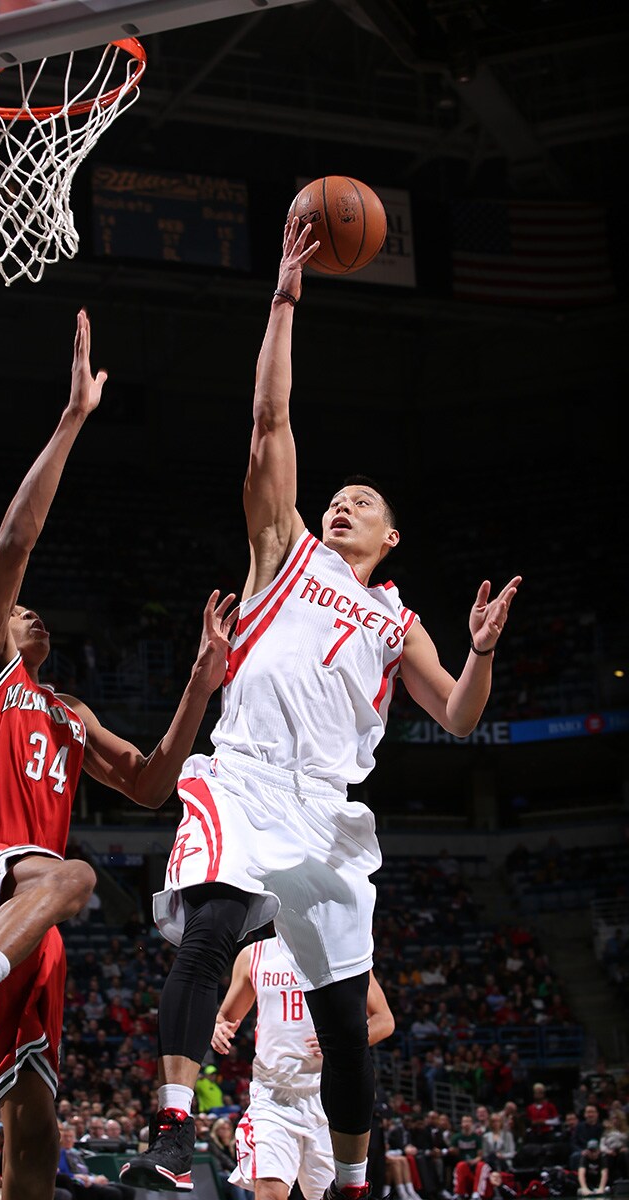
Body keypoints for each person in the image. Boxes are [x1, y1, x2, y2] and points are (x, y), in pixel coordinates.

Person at [120, 218, 521, 1198]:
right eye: (334, 496)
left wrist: (476, 654)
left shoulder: (396, 619)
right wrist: (283, 301)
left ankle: (350, 1182)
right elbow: (268, 426)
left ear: (391, 536)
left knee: (345, 1026)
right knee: (212, 923)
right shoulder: (284, 552)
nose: (340, 504)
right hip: (247, 775)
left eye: (361, 500)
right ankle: (173, 1134)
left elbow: (460, 716)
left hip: (329, 817)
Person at [0, 309, 237, 1200]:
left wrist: (198, 685)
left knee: (34, 1132)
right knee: (73, 877)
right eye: (17, 607)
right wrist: (71, 419)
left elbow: (148, 784)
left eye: (32, 613)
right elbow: (12, 544)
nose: (24, 610)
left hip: (23, 925)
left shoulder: (68, 712)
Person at [211, 932, 395, 1200]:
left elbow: (384, 1020)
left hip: (326, 1099)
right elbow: (226, 1017)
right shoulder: (254, 955)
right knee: (270, 1189)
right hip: (273, 1097)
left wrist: (344, 1041)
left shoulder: (340, 953)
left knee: (327, 1194)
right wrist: (217, 1028)